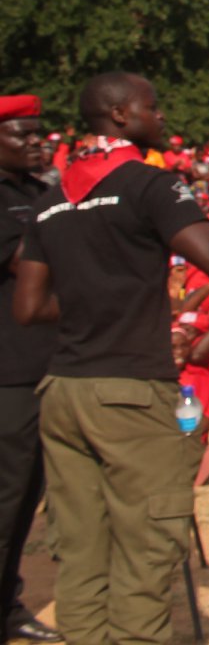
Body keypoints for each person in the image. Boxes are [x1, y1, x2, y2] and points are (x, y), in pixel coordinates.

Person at [12, 73, 209, 645]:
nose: (160, 116)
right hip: (130, 390)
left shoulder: (50, 199)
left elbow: (29, 306)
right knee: (146, 542)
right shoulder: (151, 185)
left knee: (83, 547)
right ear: (119, 115)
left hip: (63, 389)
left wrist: (96, 298)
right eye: (151, 106)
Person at [0, 96, 59, 643]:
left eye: (40, 133)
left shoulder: (41, 193)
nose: (38, 142)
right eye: (23, 135)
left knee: (25, 496)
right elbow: (27, 261)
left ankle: (8, 603)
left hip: (47, 359)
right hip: (8, 368)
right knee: (6, 491)